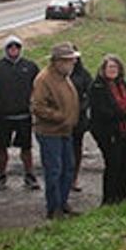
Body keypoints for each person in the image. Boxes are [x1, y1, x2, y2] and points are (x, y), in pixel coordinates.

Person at [30, 42, 82, 220]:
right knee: (54, 170)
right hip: (50, 132)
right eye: (69, 60)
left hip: (66, 130)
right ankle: (53, 208)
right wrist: (59, 116)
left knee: (69, 167)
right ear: (58, 61)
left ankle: (63, 202)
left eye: (73, 60)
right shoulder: (44, 79)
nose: (73, 63)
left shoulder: (64, 76)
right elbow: (37, 107)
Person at [0, 35, 41, 192]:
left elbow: (38, 87)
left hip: (24, 115)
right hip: (3, 115)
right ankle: (1, 175)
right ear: (5, 49)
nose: (13, 50)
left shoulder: (30, 67)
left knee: (26, 147)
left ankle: (29, 175)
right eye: (10, 47)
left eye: (16, 47)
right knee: (1, 147)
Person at [90, 54, 126, 206]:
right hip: (108, 131)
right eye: (110, 67)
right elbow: (102, 110)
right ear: (103, 69)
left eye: (115, 67)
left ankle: (122, 195)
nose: (113, 70)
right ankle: (109, 199)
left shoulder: (124, 84)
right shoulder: (98, 87)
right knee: (113, 164)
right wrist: (125, 114)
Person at [69, 50, 93, 192]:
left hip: (79, 117)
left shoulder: (83, 74)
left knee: (77, 148)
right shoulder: (59, 74)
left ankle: (75, 177)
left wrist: (82, 106)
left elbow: (90, 93)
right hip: (62, 118)